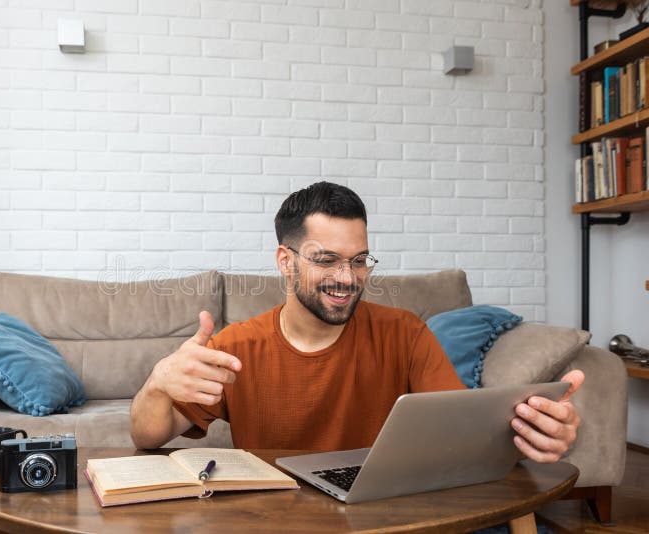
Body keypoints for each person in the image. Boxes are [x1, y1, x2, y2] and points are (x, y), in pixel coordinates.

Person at [130, 182, 582, 463]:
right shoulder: (236, 347)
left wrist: (536, 433)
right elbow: (148, 437)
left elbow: (463, 437)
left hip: (381, 515)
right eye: (327, 260)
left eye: (359, 260)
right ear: (285, 261)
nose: (347, 278)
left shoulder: (405, 333)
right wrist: (157, 383)